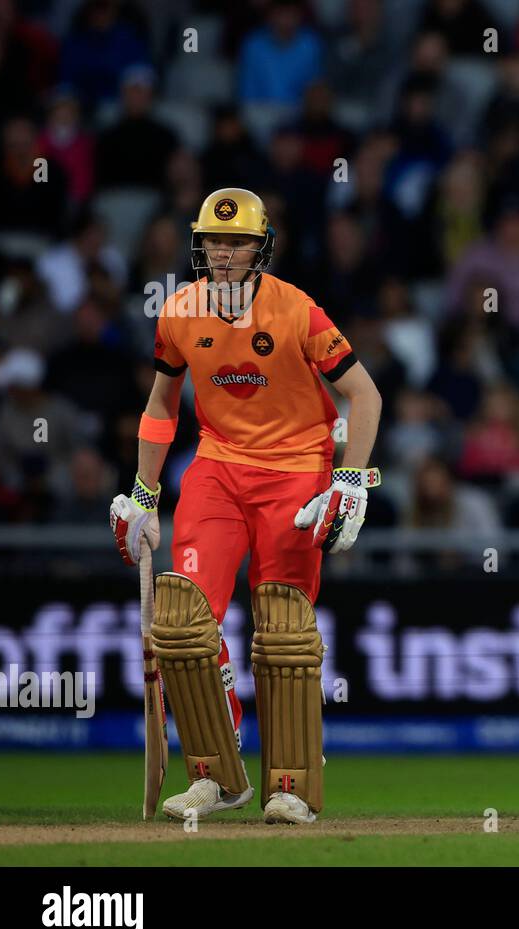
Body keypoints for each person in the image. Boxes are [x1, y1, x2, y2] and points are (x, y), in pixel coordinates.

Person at [109, 188, 383, 825]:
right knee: (180, 621)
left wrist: (351, 481)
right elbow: (160, 406)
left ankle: (291, 785)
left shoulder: (296, 310)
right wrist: (143, 494)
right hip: (218, 468)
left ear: (262, 249)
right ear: (198, 246)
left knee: (283, 627)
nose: (224, 253)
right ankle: (215, 773)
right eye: (214, 242)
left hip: (296, 470)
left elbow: (364, 396)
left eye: (239, 243)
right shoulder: (178, 311)